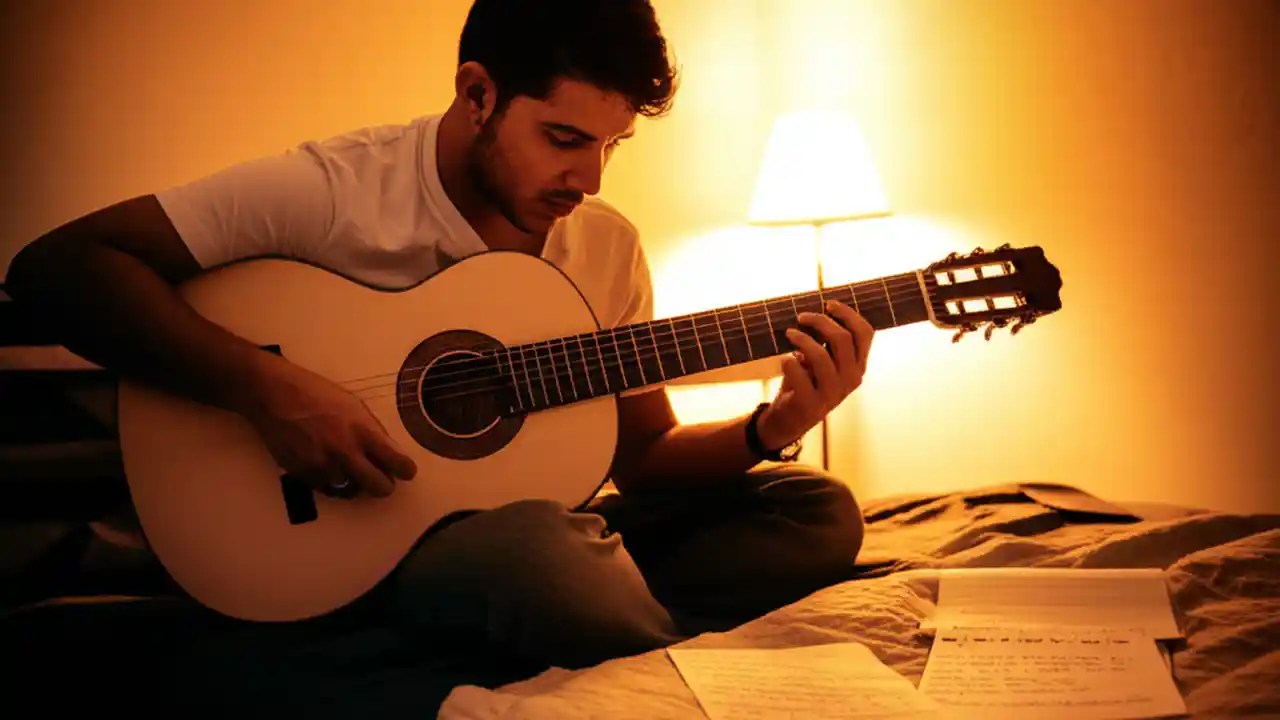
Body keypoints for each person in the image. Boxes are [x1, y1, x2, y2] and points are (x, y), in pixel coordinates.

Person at [3, 0, 872, 713]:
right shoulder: (332, 192)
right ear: (478, 93)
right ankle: (669, 666)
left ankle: (568, 631)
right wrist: (268, 390)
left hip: (529, 534)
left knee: (816, 512)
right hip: (378, 533)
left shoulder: (603, 249)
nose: (592, 179)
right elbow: (54, 269)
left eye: (612, 146)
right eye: (566, 139)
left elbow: (643, 459)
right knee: (540, 553)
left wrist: (773, 424)